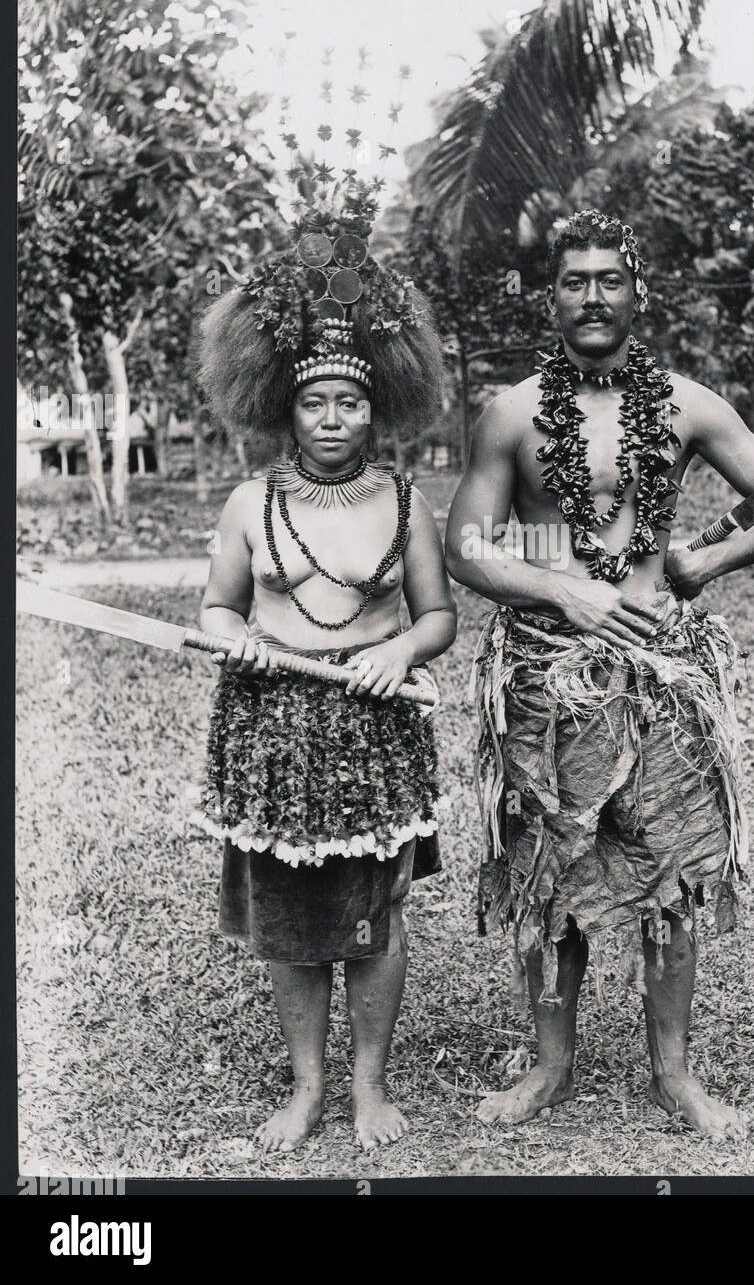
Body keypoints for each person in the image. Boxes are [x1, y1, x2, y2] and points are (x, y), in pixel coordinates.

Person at [446, 208, 754, 1136]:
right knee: (546, 868)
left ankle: (674, 1076)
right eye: (574, 280)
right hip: (545, 674)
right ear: (553, 296)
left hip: (660, 676)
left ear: (636, 293)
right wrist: (558, 590)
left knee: (674, 875)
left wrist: (704, 562)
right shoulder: (513, 412)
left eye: (610, 279)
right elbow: (464, 545)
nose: (592, 296)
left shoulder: (687, 404)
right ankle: (550, 1067)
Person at [191, 180, 456, 1153]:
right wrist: (230, 634)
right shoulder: (246, 504)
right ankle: (305, 1089)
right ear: (286, 406)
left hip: (376, 727)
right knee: (292, 925)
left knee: (372, 922)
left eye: (349, 400)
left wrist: (396, 646)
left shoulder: (405, 499)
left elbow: (438, 619)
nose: (334, 418)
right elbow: (218, 606)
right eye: (315, 401)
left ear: (373, 405)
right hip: (271, 730)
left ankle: (368, 1087)